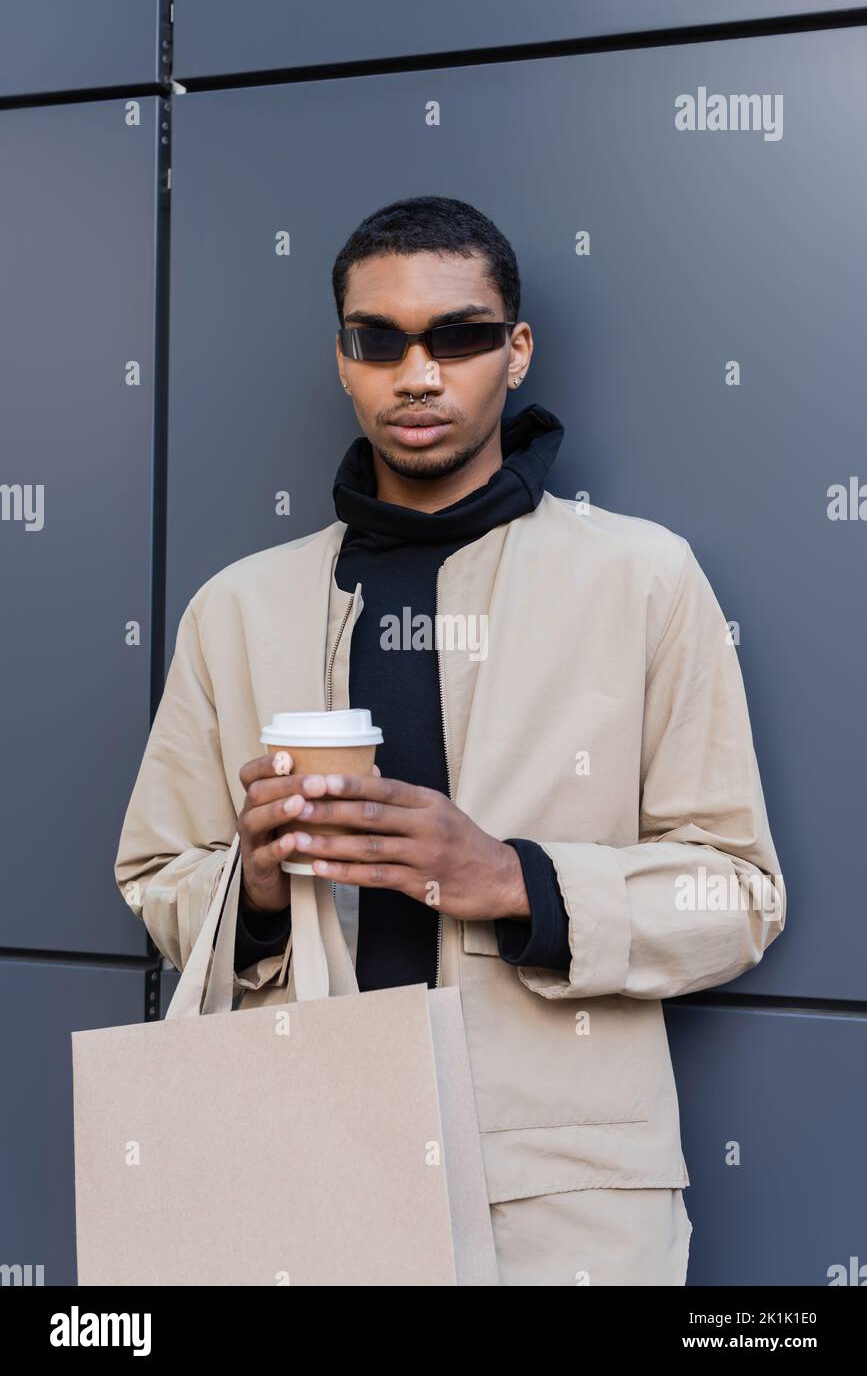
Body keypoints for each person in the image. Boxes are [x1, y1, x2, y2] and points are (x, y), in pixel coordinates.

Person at [115, 194, 786, 1286]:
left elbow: (740, 892)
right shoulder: (236, 608)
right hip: (296, 1163)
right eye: (379, 340)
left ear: (516, 351)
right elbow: (154, 873)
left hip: (556, 1203)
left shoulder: (643, 580)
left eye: (460, 336)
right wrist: (262, 889)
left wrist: (515, 879)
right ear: (342, 358)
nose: (417, 373)